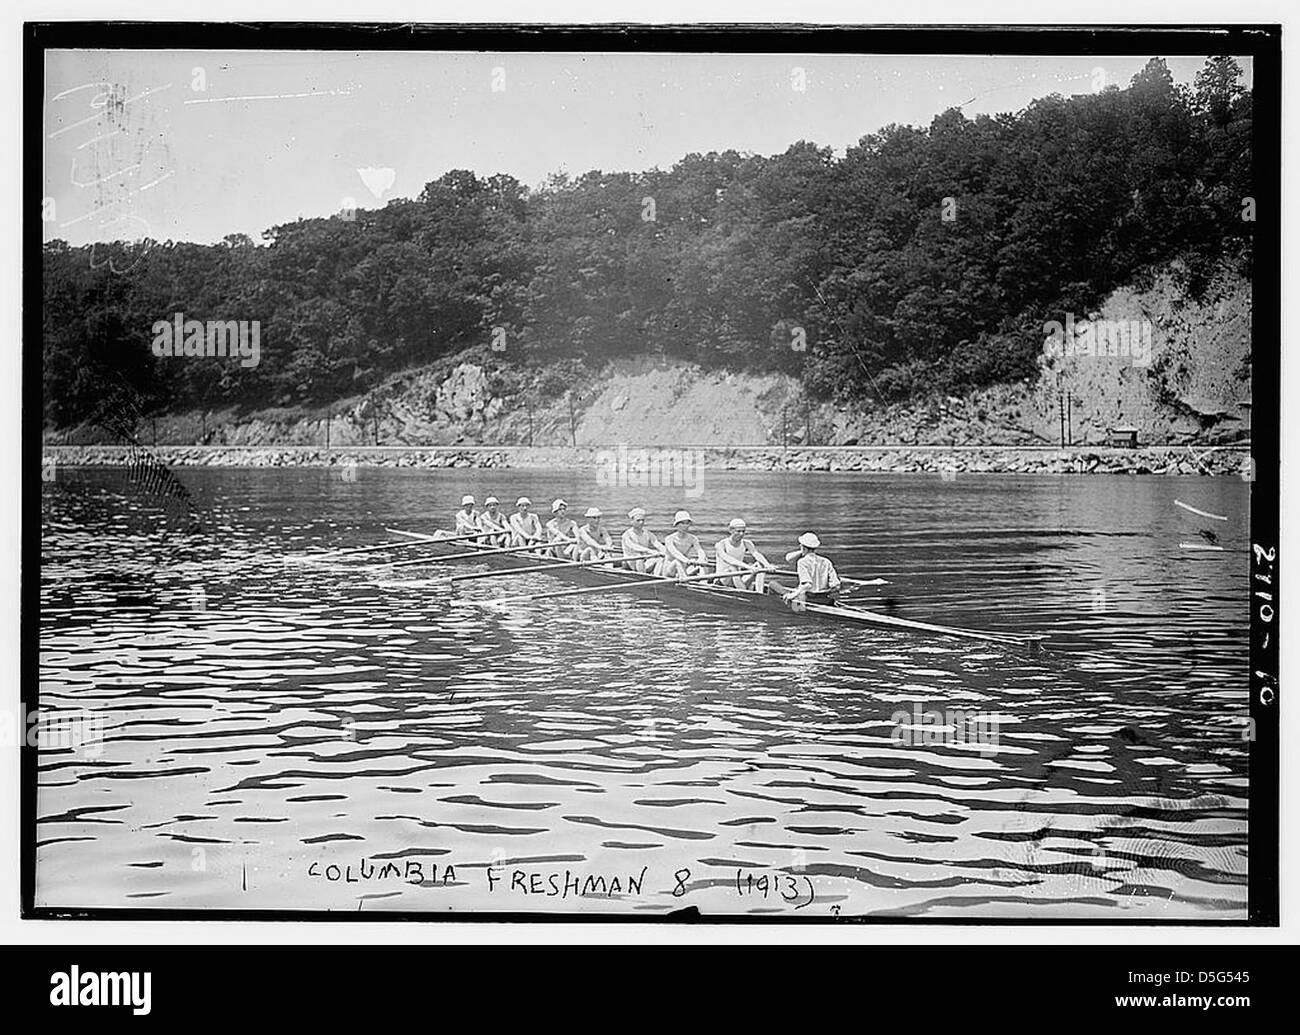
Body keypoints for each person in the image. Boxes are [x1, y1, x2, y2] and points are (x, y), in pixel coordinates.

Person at [783, 532, 841, 609]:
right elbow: (836, 585)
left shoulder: (802, 562)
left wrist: (793, 595)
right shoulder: (826, 561)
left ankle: (795, 609)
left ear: (802, 547)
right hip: (825, 599)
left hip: (808, 600)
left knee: (772, 585)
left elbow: (807, 585)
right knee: (797, 590)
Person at [714, 518, 771, 592]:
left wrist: (767, 565)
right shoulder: (721, 544)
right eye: (738, 531)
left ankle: (759, 593)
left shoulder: (747, 543)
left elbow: (756, 554)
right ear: (731, 530)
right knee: (733, 567)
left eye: (743, 531)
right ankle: (744, 592)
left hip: (737, 577)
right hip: (723, 579)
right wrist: (748, 567)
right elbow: (730, 560)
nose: (741, 534)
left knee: (760, 565)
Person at [662, 510, 707, 580]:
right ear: (677, 525)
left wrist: (700, 560)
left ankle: (704, 582)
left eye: (687, 523)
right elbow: (675, 553)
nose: (685, 526)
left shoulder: (693, 538)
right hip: (670, 570)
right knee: (677, 561)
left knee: (704, 560)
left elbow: (700, 550)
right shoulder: (669, 539)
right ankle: (685, 581)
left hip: (684, 566)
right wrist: (687, 561)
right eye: (682, 523)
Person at [621, 507, 663, 575]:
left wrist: (666, 551)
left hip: (645, 559)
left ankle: (656, 576)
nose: (641, 522)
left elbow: (657, 543)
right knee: (639, 558)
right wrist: (650, 551)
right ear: (631, 521)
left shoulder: (647, 532)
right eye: (638, 520)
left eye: (643, 520)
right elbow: (634, 547)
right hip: (631, 562)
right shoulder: (626, 535)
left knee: (661, 559)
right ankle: (641, 576)